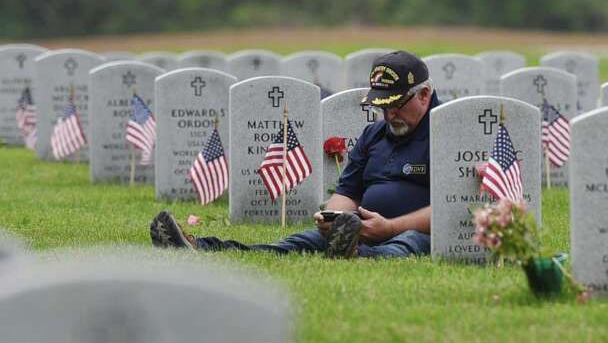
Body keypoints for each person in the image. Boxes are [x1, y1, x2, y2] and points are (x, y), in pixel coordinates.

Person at [150, 50, 437, 258]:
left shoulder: (443, 134)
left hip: (413, 232)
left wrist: (389, 228)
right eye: (383, 105)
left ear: (423, 95)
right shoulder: (373, 134)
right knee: (293, 243)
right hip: (360, 228)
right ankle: (202, 246)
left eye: (397, 104)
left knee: (406, 245)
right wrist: (333, 217)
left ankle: (357, 254)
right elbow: (348, 190)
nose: (389, 113)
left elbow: (451, 207)